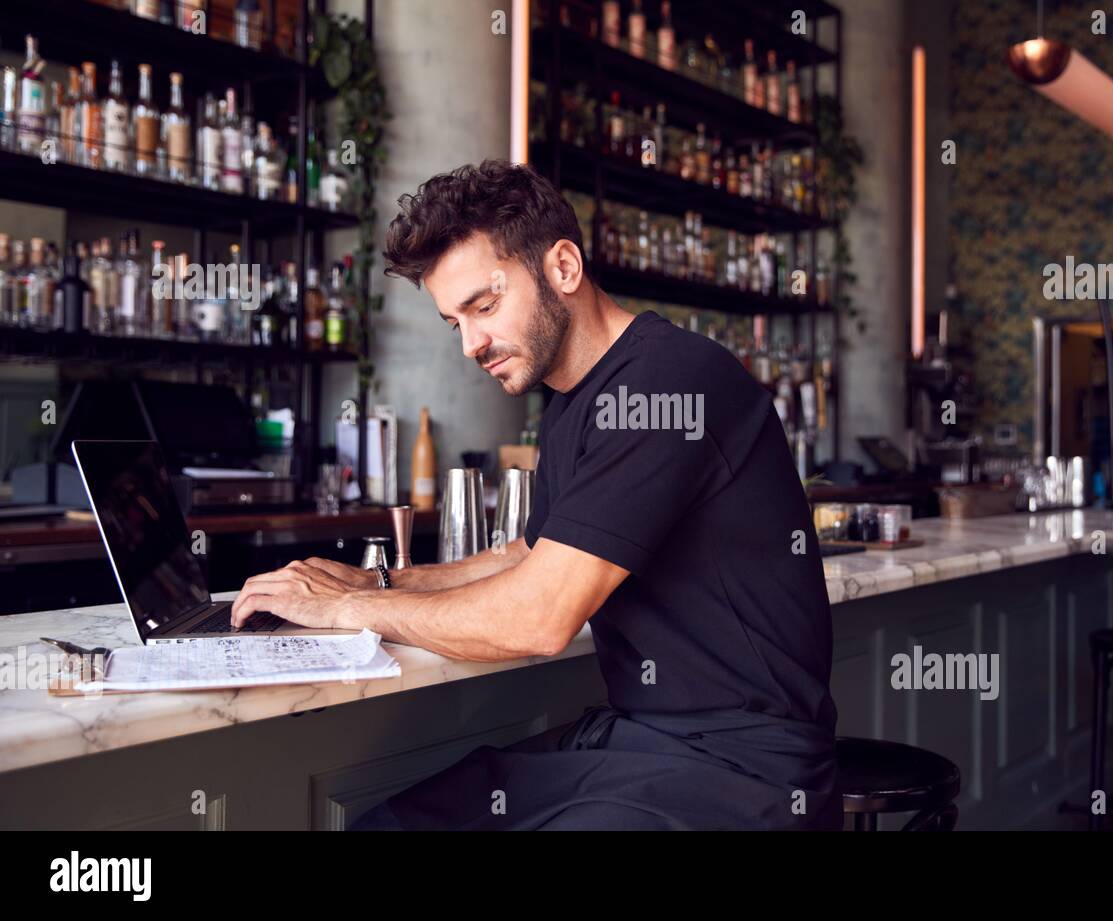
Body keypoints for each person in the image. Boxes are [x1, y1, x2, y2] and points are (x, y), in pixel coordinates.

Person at [232, 159, 839, 830]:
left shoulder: (667, 384)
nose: (470, 344)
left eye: (484, 306)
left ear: (563, 267)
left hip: (743, 771)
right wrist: (383, 579)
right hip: (644, 744)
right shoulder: (574, 401)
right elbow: (529, 556)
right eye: (453, 321)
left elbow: (539, 615)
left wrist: (348, 608)